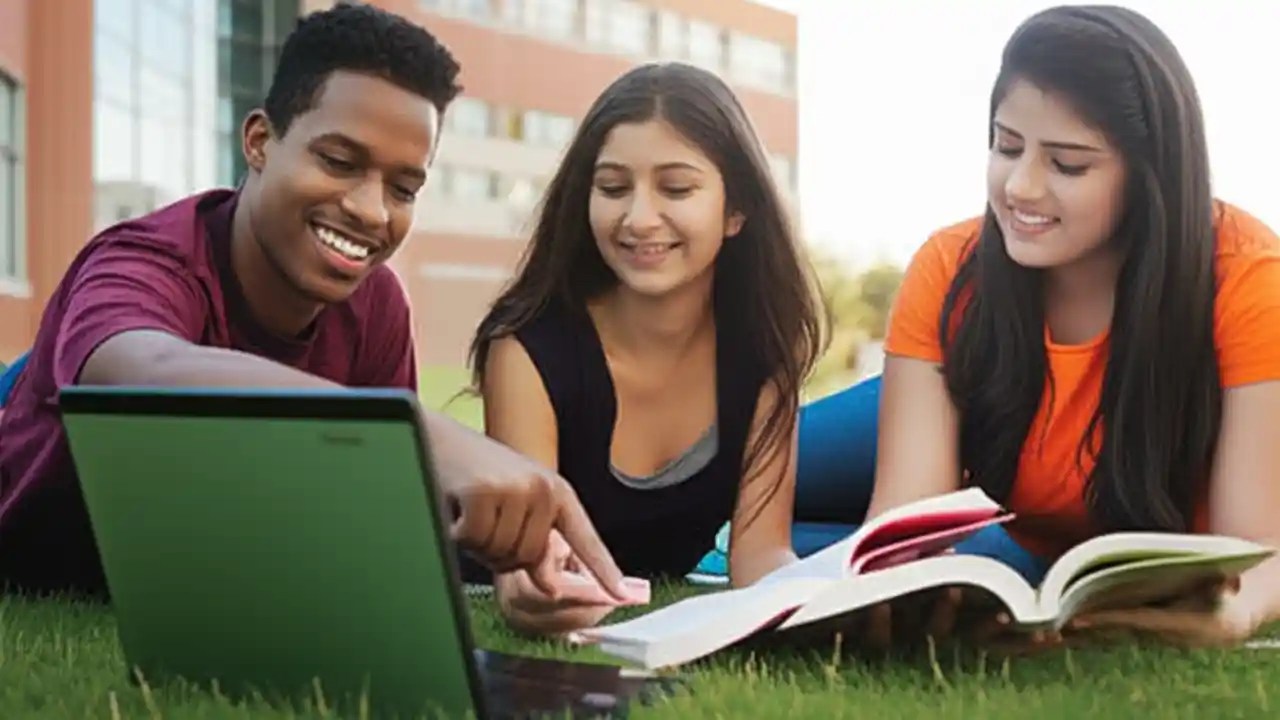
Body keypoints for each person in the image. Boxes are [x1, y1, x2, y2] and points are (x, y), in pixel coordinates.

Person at [0, 2, 626, 602]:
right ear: (259, 141)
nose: (371, 210)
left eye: (404, 187)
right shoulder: (145, 260)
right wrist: (418, 432)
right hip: (42, 560)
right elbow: (145, 373)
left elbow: (378, 509)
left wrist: (519, 563)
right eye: (337, 161)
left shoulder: (376, 302)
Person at [720, 4, 1280, 651]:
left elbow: (1259, 548)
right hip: (955, 410)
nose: (1020, 186)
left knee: (968, 559)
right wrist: (895, 587)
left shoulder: (1244, 275)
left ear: (1150, 175)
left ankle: (716, 546)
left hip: (1025, 543)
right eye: (1006, 145)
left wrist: (1234, 615)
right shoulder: (950, 268)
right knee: (737, 474)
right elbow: (904, 524)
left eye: (1067, 164)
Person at [466, 61, 826, 635]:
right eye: (612, 188)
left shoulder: (762, 358)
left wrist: (822, 603)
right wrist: (531, 589)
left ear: (737, 211)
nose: (638, 218)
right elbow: (524, 569)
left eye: (676, 188)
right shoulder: (529, 350)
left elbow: (759, 560)